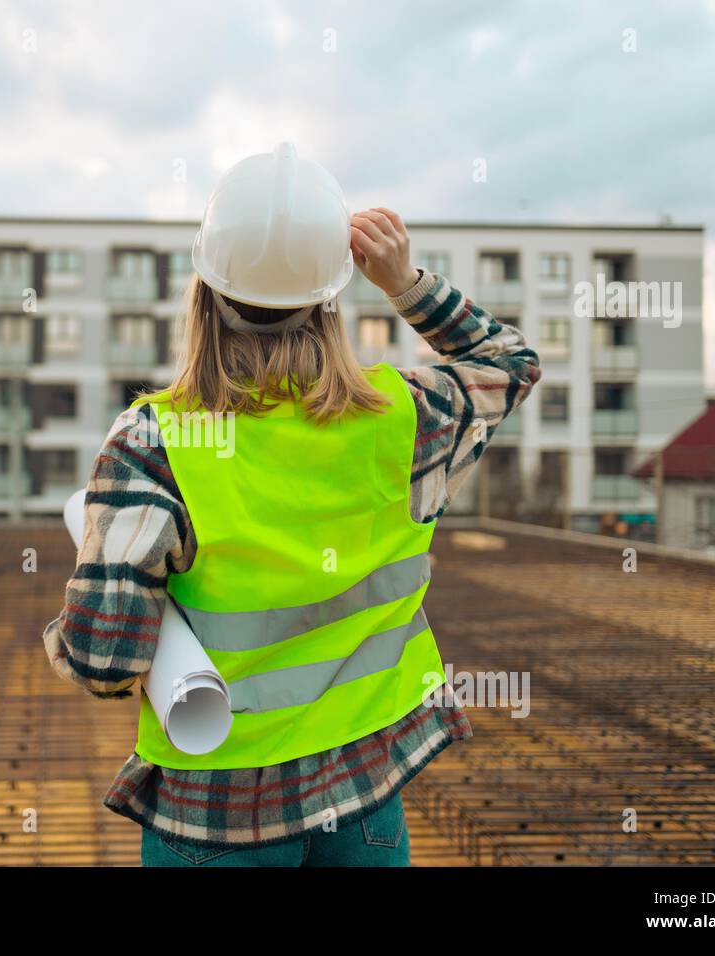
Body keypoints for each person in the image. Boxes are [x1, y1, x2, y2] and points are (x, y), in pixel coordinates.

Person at [43, 143, 541, 867]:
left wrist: (71, 628)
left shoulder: (154, 442)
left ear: (204, 292)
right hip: (365, 797)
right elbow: (510, 364)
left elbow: (105, 660)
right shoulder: (403, 417)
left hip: (214, 818)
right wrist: (405, 284)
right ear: (331, 299)